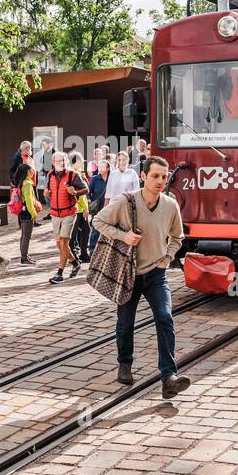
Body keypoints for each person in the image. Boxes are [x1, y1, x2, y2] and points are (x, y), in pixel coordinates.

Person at [94, 156, 190, 399]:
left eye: (164, 176)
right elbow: (98, 221)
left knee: (165, 317)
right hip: (129, 274)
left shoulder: (170, 205)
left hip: (156, 274)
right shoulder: (125, 202)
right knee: (126, 322)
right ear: (143, 177)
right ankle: (124, 363)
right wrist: (122, 235)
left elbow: (178, 237)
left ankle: (169, 376)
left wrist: (168, 257)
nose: (160, 181)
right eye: (155, 176)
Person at [45, 152, 87, 284]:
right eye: (58, 161)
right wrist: (47, 192)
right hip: (55, 214)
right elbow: (48, 189)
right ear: (53, 162)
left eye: (63, 160)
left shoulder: (72, 175)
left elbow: (85, 189)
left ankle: (59, 273)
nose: (61, 163)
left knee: (64, 243)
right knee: (59, 245)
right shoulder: (50, 175)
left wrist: (75, 192)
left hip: (69, 212)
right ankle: (75, 263)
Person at [12, 161, 40, 266]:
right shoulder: (28, 184)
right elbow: (29, 201)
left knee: (23, 235)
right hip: (27, 212)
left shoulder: (21, 182)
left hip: (21, 211)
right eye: (31, 169)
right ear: (27, 171)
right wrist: (34, 213)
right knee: (26, 236)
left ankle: (24, 256)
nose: (33, 171)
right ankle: (24, 258)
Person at [69, 152, 93, 265]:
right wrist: (85, 208)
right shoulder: (73, 174)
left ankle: (83, 254)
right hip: (76, 209)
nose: (82, 165)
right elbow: (80, 195)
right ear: (77, 162)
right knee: (72, 235)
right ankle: (74, 256)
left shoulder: (77, 173)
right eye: (81, 162)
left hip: (80, 208)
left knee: (85, 230)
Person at [86, 158, 110, 259]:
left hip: (110, 208)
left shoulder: (112, 178)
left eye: (102, 166)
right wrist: (90, 200)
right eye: (99, 166)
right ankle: (92, 249)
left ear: (108, 168)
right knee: (96, 228)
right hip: (97, 208)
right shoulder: (95, 178)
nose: (100, 168)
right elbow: (88, 191)